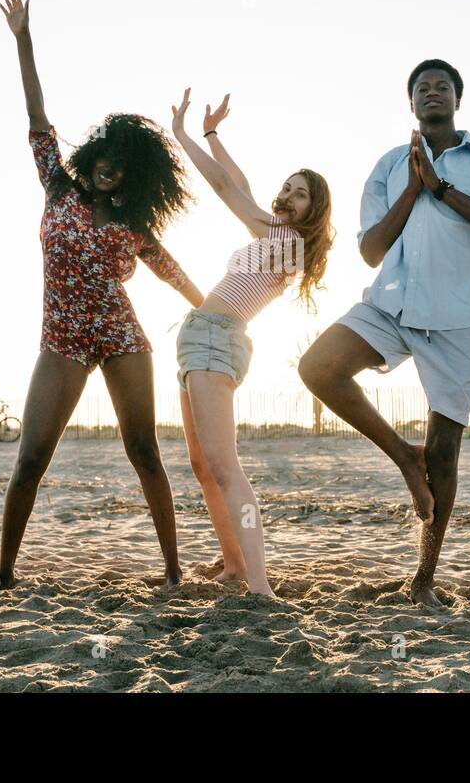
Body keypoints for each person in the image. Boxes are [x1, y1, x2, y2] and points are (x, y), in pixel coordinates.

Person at [299, 59, 470, 608]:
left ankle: (424, 577)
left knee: (445, 454)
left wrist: (441, 188)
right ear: (411, 103)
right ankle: (403, 455)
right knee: (317, 368)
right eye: (421, 88)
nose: (432, 93)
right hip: (392, 304)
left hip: (460, 318)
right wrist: (415, 186)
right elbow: (370, 249)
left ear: (456, 100)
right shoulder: (387, 165)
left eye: (441, 86)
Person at [0, 0, 203, 590]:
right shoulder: (58, 188)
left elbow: (167, 267)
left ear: (131, 174)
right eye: (105, 157)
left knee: (144, 452)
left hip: (119, 333)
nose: (111, 167)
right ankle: (4, 575)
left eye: (123, 165)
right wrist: (24, 40)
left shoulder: (131, 221)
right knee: (32, 457)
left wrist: (213, 308)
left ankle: (172, 571)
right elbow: (37, 116)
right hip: (61, 338)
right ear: (90, 157)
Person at [168, 89, 333, 597]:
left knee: (223, 464)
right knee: (202, 465)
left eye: (299, 192)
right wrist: (215, 134)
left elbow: (223, 188)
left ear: (313, 211)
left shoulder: (287, 242)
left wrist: (183, 136)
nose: (286, 194)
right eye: (286, 187)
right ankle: (236, 565)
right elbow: (238, 183)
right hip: (200, 338)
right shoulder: (271, 231)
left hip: (217, 342)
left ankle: (259, 583)